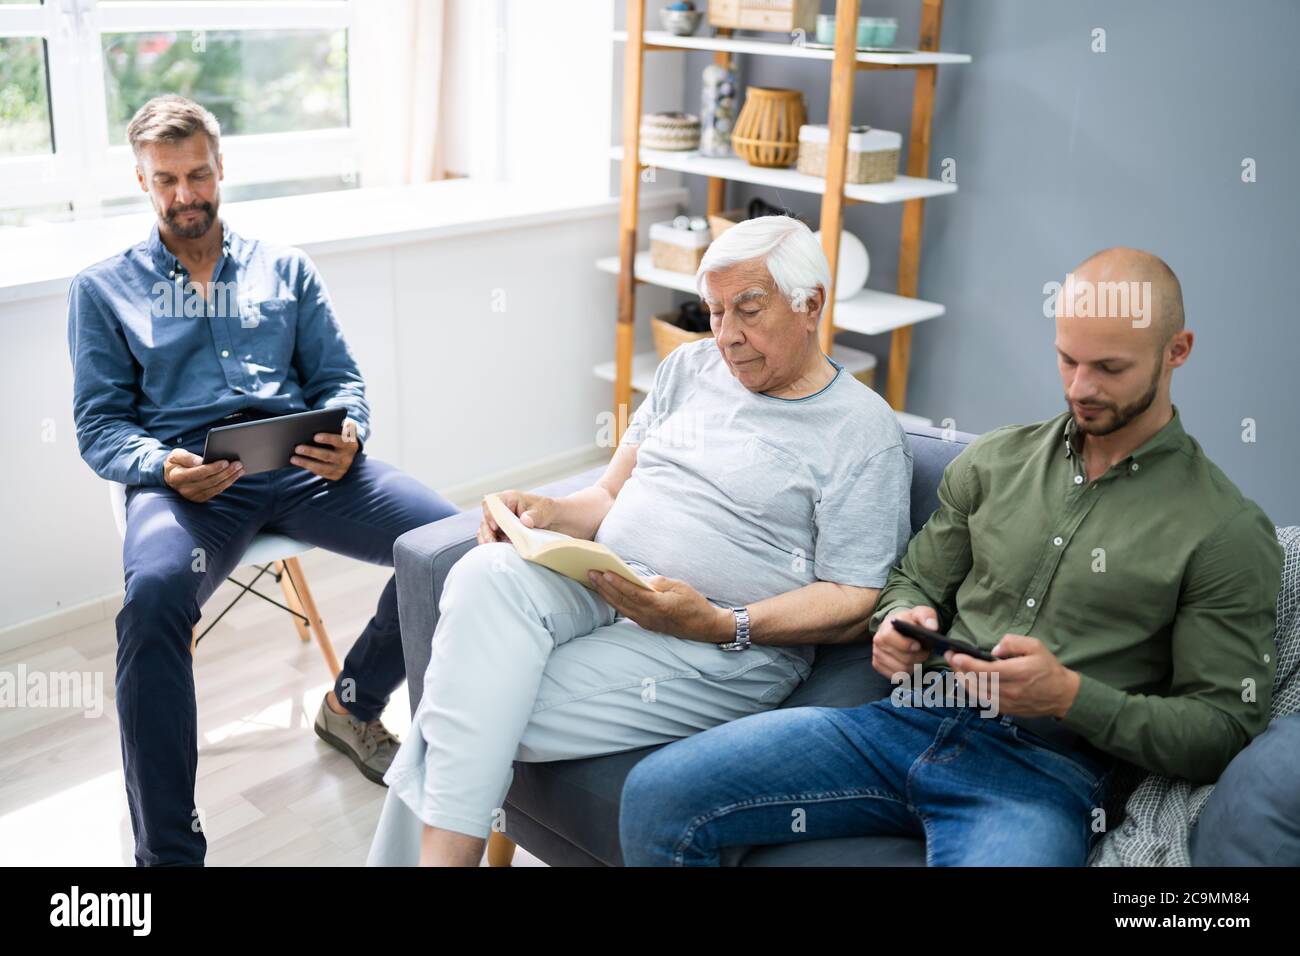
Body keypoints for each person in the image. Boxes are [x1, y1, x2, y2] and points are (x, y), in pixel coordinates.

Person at [618, 247, 1284, 866]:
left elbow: (1221, 730)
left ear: (1177, 352)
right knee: (656, 794)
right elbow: (910, 582)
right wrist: (900, 625)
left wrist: (1073, 697)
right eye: (1067, 360)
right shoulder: (996, 460)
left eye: (1110, 368)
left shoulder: (1223, 530)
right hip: (903, 721)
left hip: (1044, 778)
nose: (1081, 387)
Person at [367, 215, 913, 865]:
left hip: (722, 644)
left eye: (748, 310)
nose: (727, 337)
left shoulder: (862, 432)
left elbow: (857, 596)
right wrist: (546, 511)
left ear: (811, 303)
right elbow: (606, 496)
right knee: (483, 574)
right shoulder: (689, 366)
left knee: (469, 697)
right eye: (713, 312)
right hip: (607, 579)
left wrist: (722, 622)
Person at [66, 95, 457, 866]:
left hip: (300, 465)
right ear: (143, 183)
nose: (186, 195)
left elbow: (341, 379)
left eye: (199, 174)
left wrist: (348, 433)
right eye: (166, 179)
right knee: (150, 607)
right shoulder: (101, 289)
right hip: (187, 482)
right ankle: (169, 856)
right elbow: (99, 426)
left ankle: (351, 706)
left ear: (221, 170)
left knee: (452, 549)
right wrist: (161, 464)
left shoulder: (287, 268)